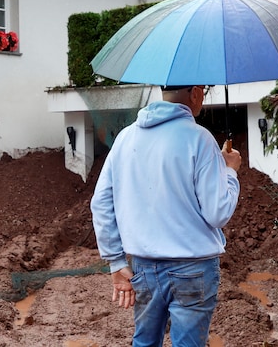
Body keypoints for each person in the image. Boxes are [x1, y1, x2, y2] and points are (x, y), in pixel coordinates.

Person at [90, 84, 241, 347]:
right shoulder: (199, 138)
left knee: (145, 343)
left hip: (144, 268)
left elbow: (101, 202)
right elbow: (218, 213)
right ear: (195, 93)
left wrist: (116, 261)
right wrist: (230, 171)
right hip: (193, 269)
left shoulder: (126, 138)